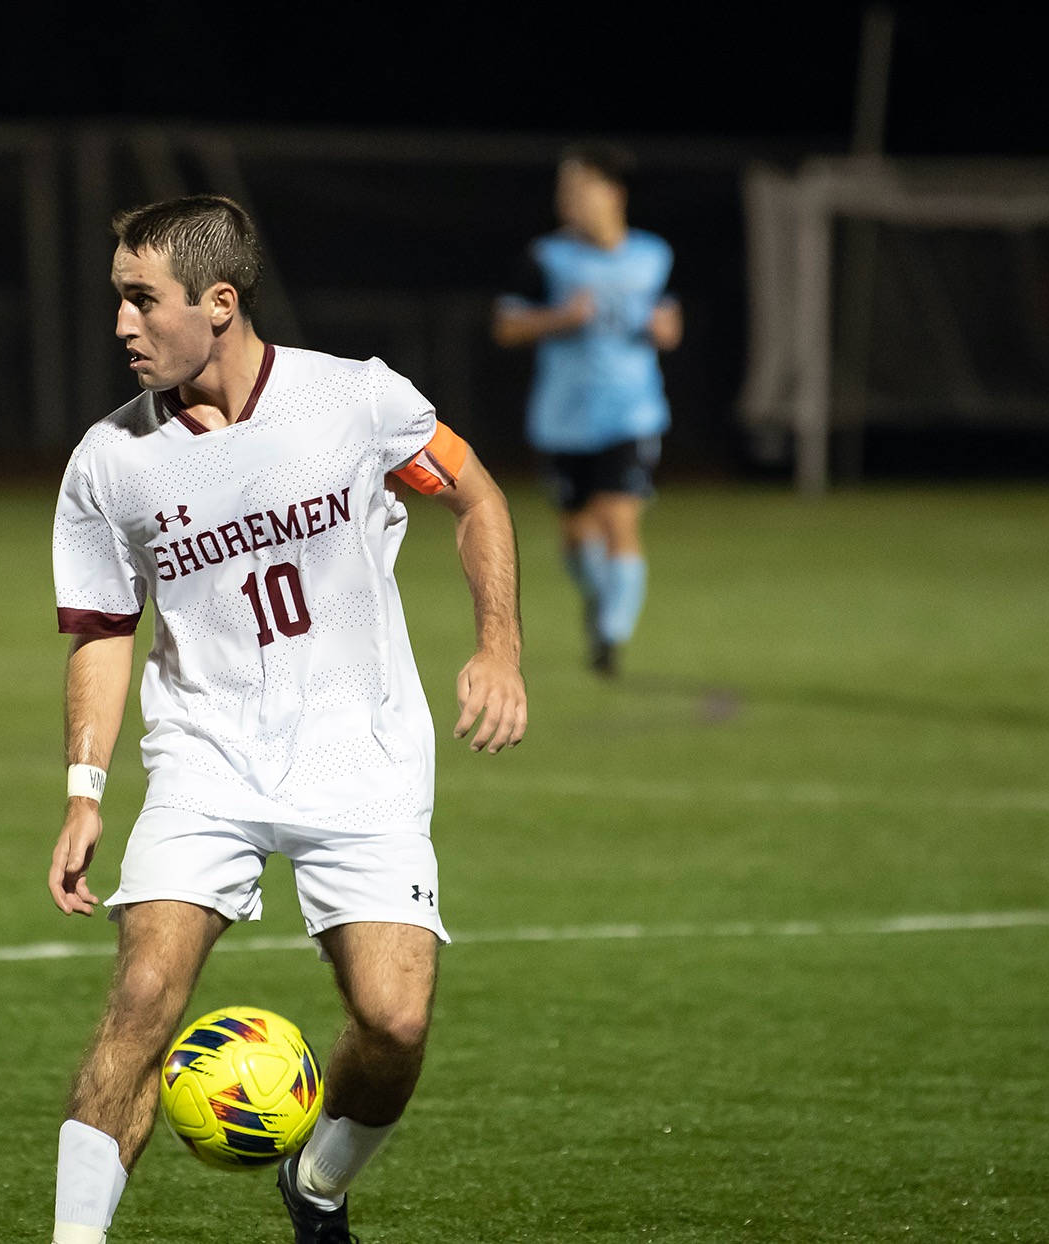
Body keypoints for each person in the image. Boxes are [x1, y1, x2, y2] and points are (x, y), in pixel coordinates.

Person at [48, 194, 527, 1244]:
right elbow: (103, 628)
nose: (121, 324)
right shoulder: (110, 461)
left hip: (359, 757)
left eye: (142, 300)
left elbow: (477, 494)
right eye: (116, 300)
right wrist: (85, 789)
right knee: (140, 997)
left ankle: (315, 1185)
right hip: (205, 762)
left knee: (395, 1022)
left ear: (219, 302)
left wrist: (499, 643)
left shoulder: (354, 402)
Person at [493, 143, 682, 677]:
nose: (568, 200)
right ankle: (602, 602)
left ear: (612, 193)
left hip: (632, 414)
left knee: (619, 520)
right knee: (577, 536)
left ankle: (610, 638)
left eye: (579, 188)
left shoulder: (653, 255)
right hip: (564, 419)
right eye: (564, 190)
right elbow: (506, 325)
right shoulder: (547, 258)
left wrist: (666, 329)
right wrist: (560, 318)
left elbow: (670, 315)